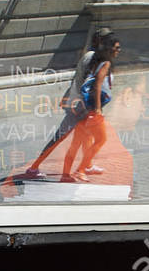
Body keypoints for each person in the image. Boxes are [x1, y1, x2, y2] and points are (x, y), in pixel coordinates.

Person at [21, 30, 113, 179]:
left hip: (78, 104)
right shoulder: (92, 58)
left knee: (86, 137)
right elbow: (87, 84)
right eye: (107, 41)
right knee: (60, 137)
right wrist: (90, 107)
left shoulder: (92, 57)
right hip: (79, 107)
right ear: (99, 42)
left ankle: (87, 166)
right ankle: (34, 168)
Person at [60, 36, 119, 183]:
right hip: (92, 110)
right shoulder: (105, 63)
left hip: (83, 108)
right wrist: (98, 109)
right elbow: (97, 85)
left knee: (77, 142)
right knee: (100, 139)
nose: (119, 50)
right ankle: (80, 170)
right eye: (116, 48)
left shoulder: (96, 61)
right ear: (109, 49)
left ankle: (66, 174)